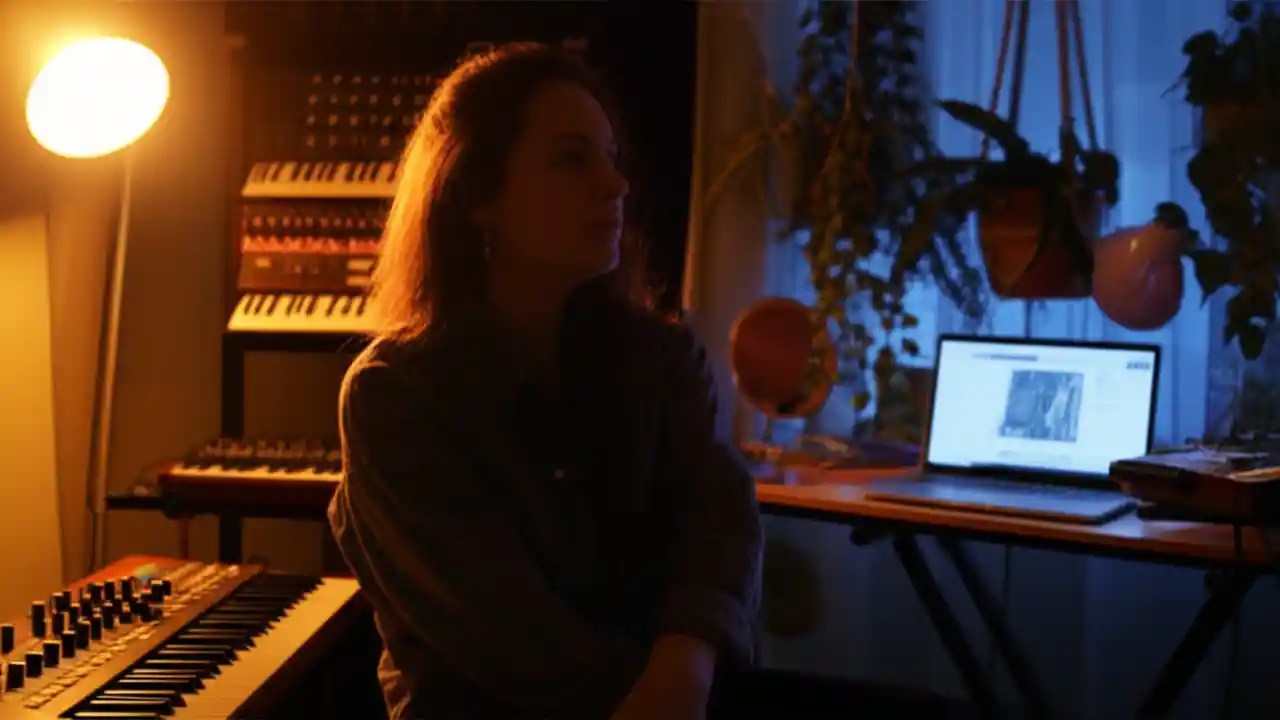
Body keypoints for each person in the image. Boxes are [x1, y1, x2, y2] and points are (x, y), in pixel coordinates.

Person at [327, 42, 764, 720]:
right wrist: (655, 696)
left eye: (612, 157)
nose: (614, 184)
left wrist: (684, 671)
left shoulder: (661, 359)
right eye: (571, 157)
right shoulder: (396, 394)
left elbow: (717, 525)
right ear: (476, 195)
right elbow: (508, 635)